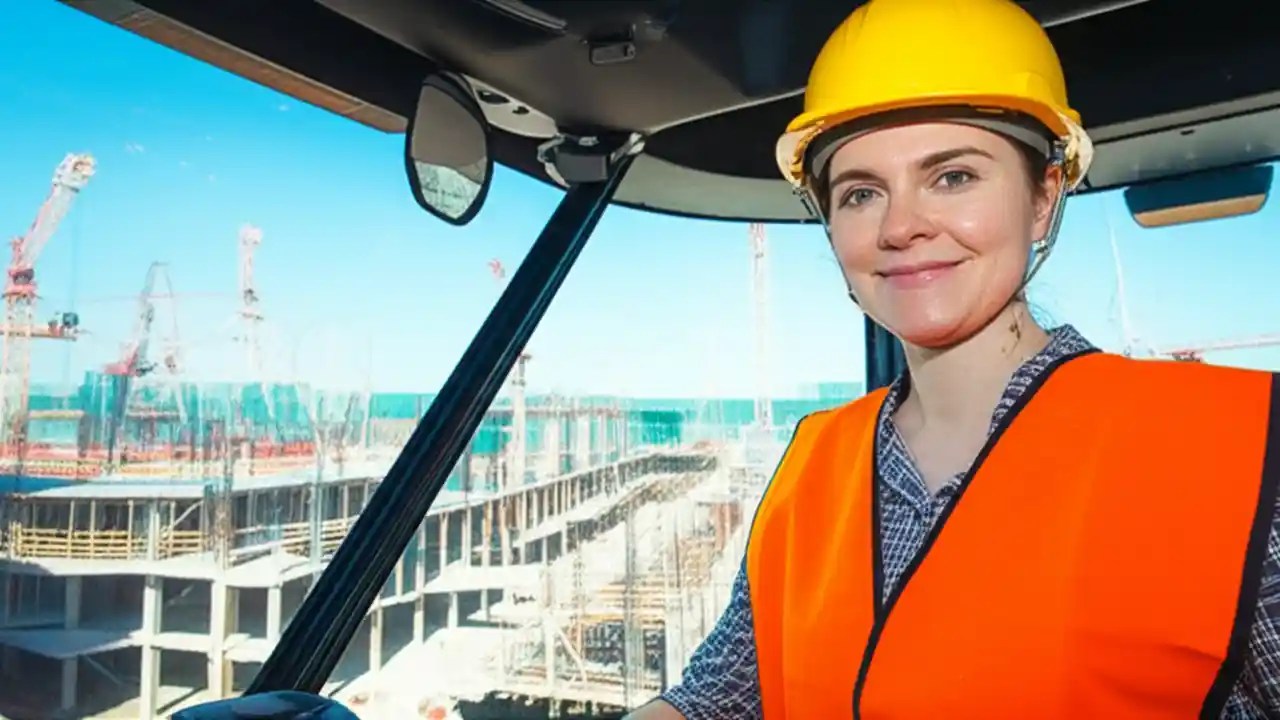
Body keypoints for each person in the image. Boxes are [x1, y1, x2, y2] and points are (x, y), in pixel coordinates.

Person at [625, 0, 1280, 717]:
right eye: (862, 193)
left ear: (1043, 197)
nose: (902, 226)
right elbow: (722, 694)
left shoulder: (1241, 455)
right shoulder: (814, 465)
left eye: (954, 177)